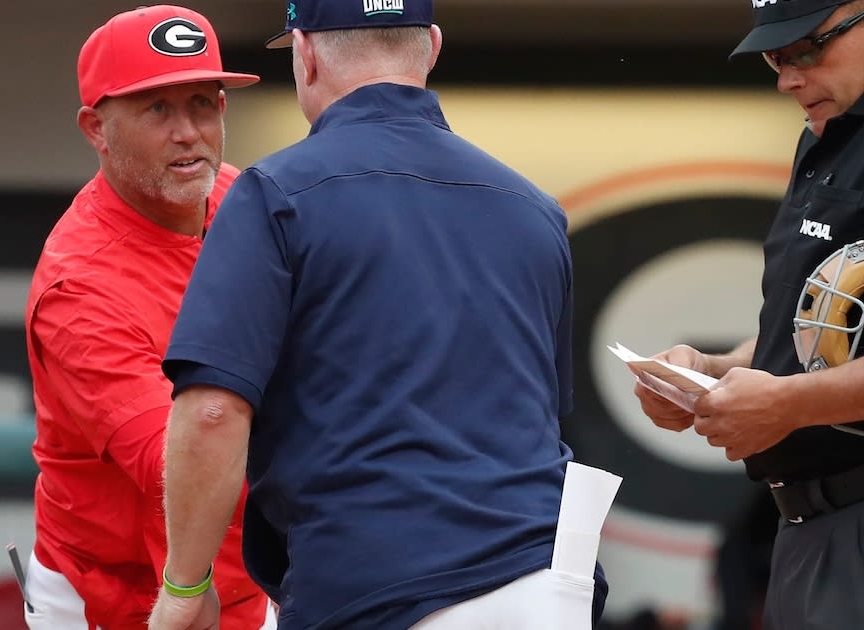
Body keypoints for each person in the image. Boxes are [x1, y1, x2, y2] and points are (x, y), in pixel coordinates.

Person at [148, 1, 609, 628]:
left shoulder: (276, 192)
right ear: (434, 46)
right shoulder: (532, 207)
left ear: (305, 54)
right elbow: (542, 416)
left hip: (373, 587)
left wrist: (185, 586)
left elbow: (211, 410)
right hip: (545, 580)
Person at [634, 1, 864, 628]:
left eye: (808, 49)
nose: (787, 77)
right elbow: (815, 329)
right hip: (813, 527)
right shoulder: (833, 133)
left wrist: (787, 405)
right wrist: (714, 371)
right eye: (775, 57)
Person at [22, 5, 273, 629]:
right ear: (96, 128)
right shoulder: (78, 285)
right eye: (157, 108)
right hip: (120, 600)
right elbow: (181, 464)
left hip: (249, 584)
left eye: (203, 102)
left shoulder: (243, 203)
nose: (187, 131)